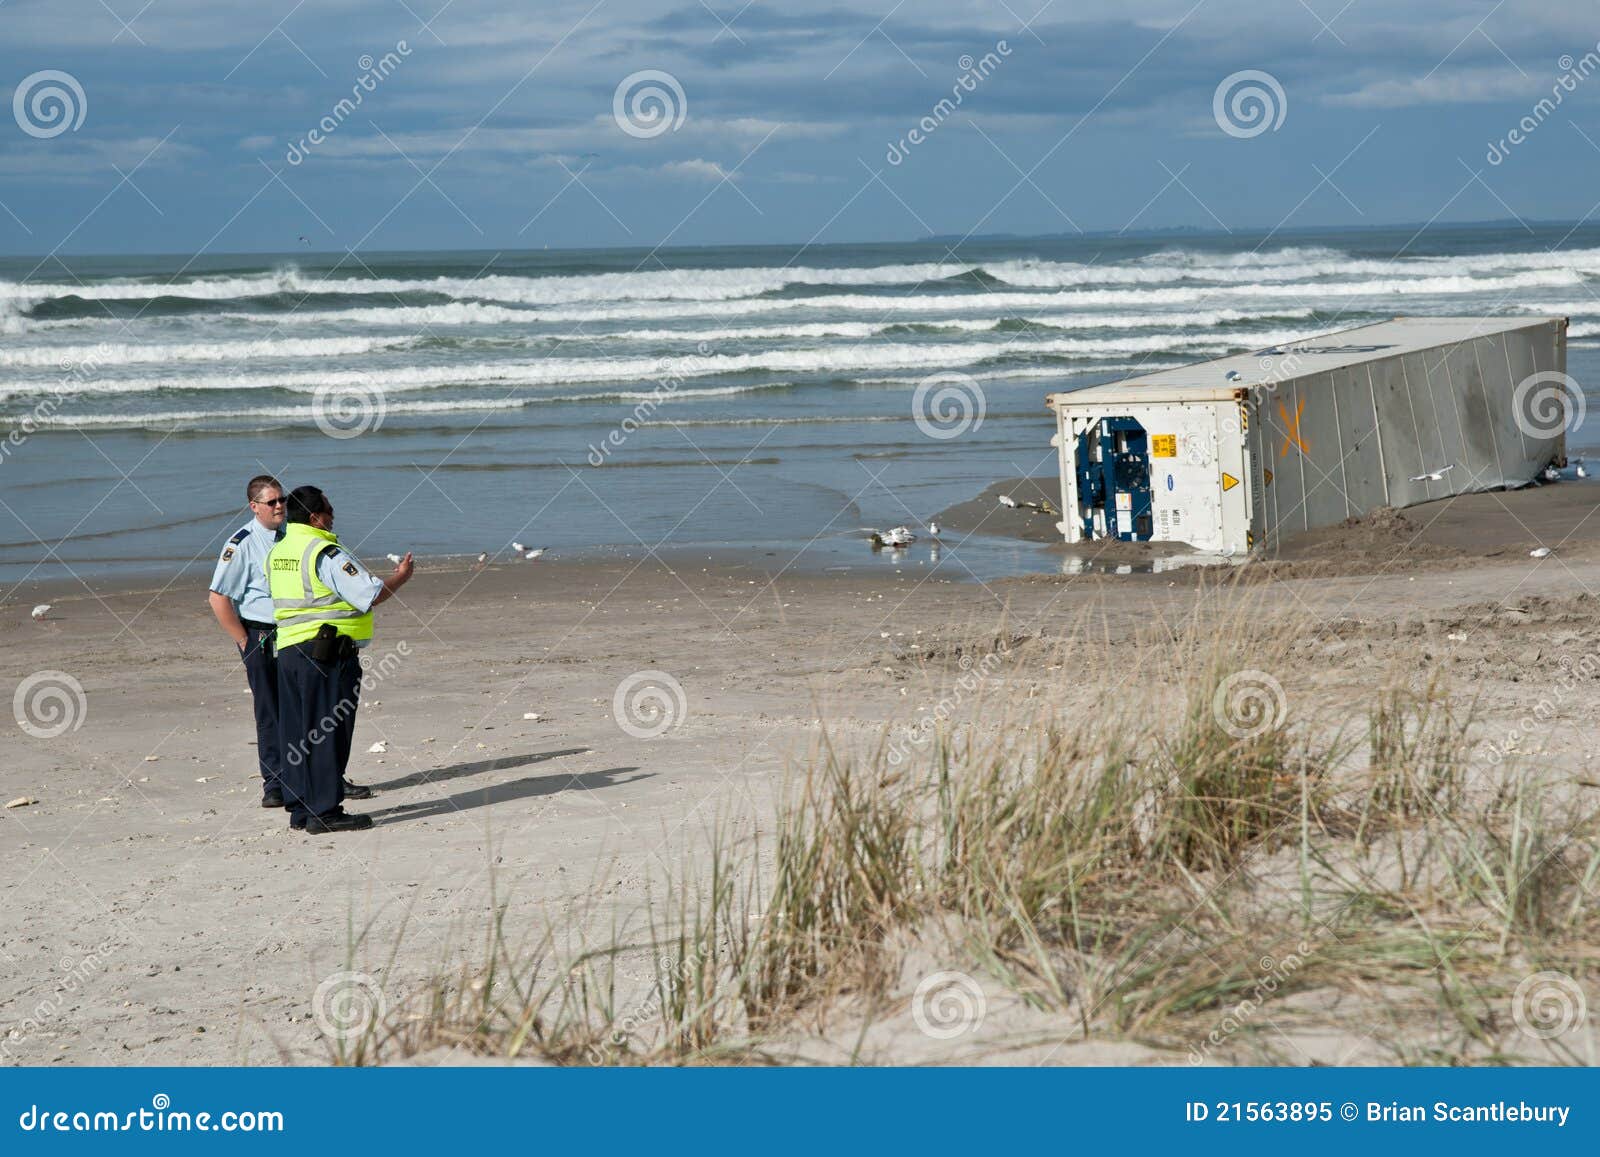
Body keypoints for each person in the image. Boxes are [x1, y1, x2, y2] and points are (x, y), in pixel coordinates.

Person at [208, 475, 373, 810]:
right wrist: (244, 641)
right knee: (271, 710)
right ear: (254, 507)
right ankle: (275, 783)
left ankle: (325, 779)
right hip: (260, 632)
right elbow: (218, 597)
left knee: (308, 712)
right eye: (272, 502)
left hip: (294, 634)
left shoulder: (293, 535)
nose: (280, 506)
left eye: (282, 499)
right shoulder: (241, 544)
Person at [266, 485, 413, 833]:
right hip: (326, 654)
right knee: (327, 731)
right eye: (330, 510)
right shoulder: (324, 551)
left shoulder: (280, 550)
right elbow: (370, 594)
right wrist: (401, 577)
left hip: (288, 650)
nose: (334, 516)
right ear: (316, 516)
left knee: (297, 734)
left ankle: (301, 808)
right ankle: (324, 812)